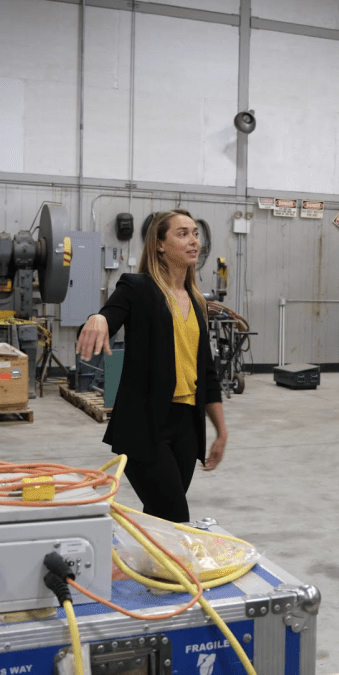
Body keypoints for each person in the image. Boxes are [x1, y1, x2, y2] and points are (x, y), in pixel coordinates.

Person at [76, 209, 227, 523]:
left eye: (195, 233)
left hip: (186, 424)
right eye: (182, 234)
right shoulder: (138, 288)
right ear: (160, 244)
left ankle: (151, 567)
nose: (193, 241)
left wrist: (221, 431)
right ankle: (166, 570)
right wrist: (98, 318)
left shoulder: (197, 301)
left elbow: (207, 372)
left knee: (161, 516)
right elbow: (110, 314)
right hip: (145, 426)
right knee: (174, 513)